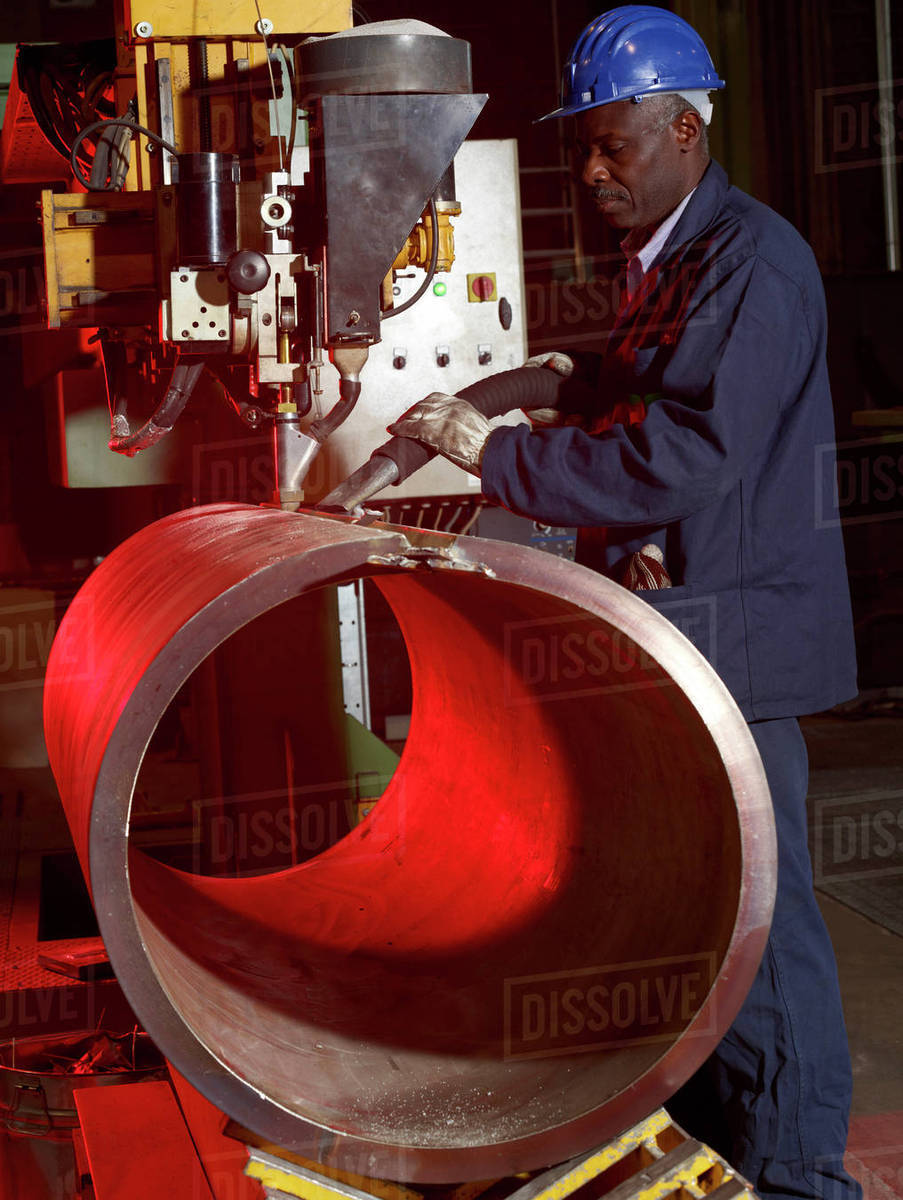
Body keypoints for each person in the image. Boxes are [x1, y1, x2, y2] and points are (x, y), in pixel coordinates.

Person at [388, 7, 861, 1200]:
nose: (593, 170)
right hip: (685, 640)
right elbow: (658, 390)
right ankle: (717, 1144)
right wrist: (575, 377)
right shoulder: (680, 256)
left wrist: (495, 455)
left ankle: (803, 1176)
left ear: (686, 128)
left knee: (766, 934)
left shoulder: (755, 260)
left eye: (614, 145)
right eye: (583, 147)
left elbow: (688, 450)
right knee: (696, 929)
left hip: (740, 644)